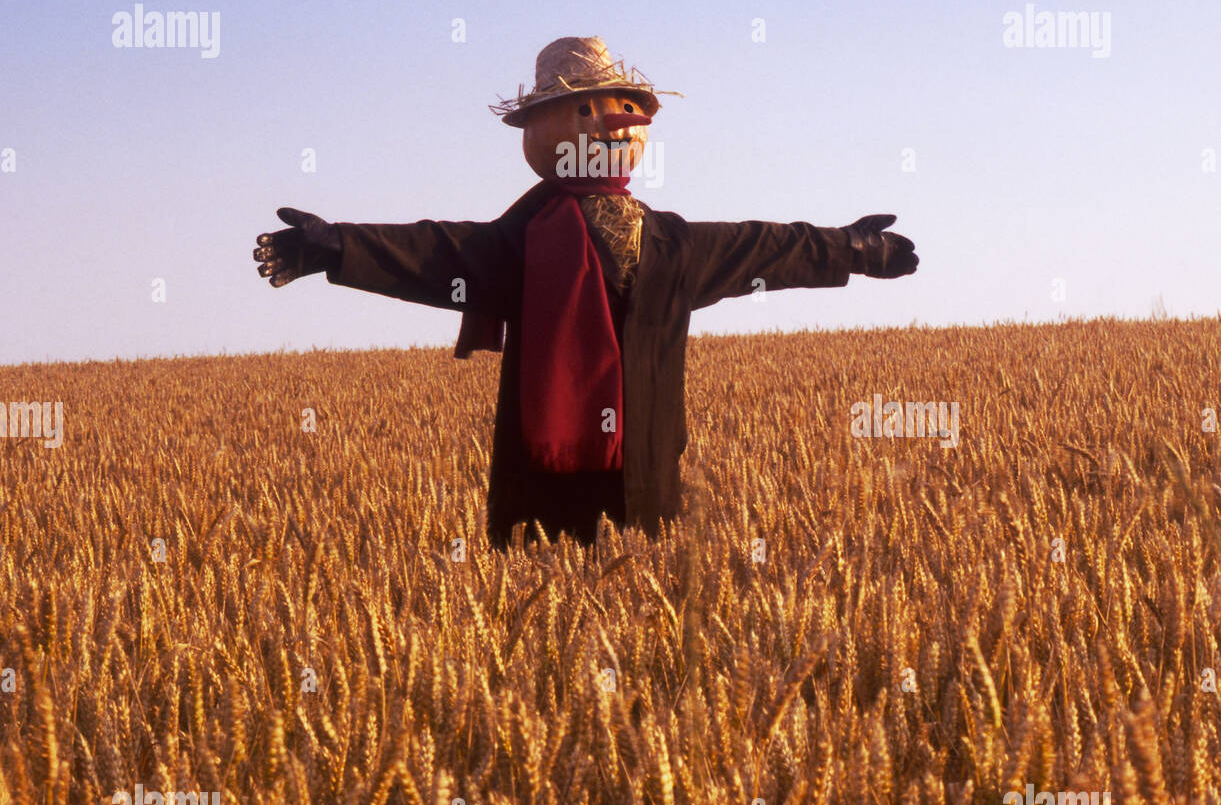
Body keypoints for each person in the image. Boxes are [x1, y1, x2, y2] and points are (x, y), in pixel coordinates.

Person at [253, 36, 918, 549]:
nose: (609, 122)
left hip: (647, 473)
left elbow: (761, 247)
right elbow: (435, 251)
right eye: (584, 108)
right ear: (545, 128)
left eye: (620, 107)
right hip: (547, 485)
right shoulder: (521, 242)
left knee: (641, 629)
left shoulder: (672, 243)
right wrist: (336, 247)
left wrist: (848, 249)